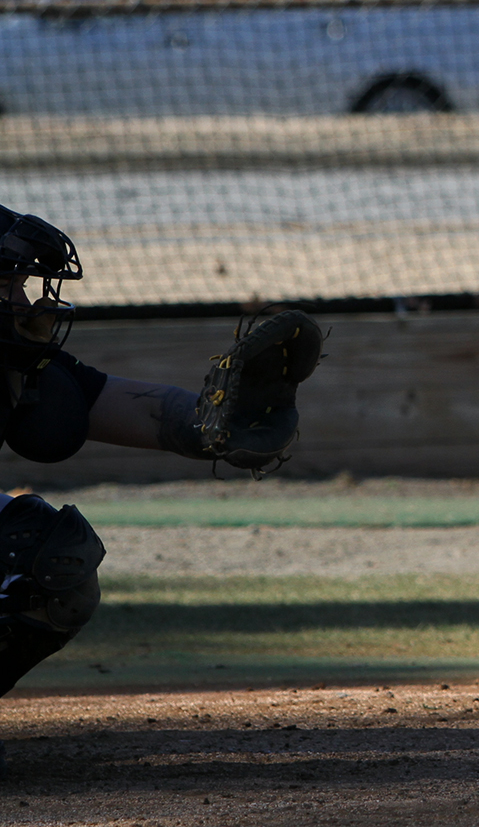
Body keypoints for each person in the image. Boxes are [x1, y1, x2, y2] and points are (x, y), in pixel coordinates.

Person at [0, 204, 322, 718]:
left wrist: (214, 423)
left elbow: (131, 408)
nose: (23, 301)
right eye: (5, 287)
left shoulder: (15, 366)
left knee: (51, 554)